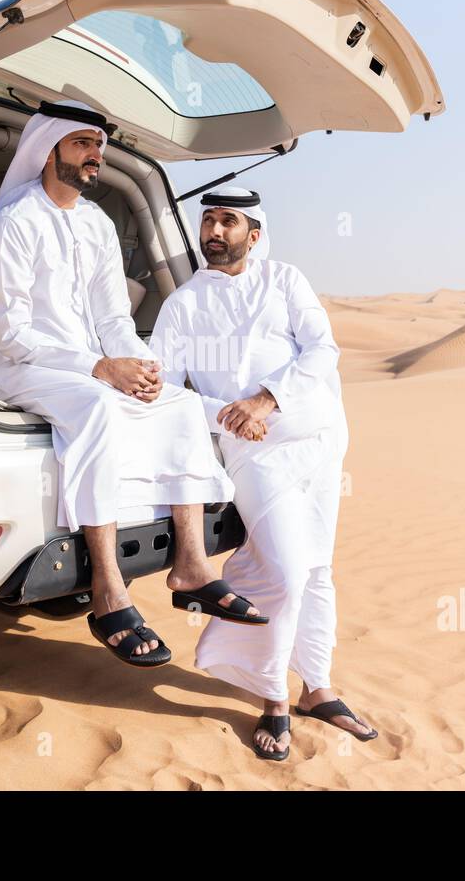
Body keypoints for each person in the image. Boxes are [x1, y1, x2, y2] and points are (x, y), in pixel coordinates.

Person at [0, 101, 267, 668]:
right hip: (11, 362)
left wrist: (141, 368)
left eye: (98, 146)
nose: (94, 155)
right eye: (82, 143)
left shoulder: (98, 223)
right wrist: (103, 370)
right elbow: (12, 334)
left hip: (83, 360)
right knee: (98, 409)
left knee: (175, 407)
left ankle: (192, 566)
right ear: (48, 149)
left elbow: (113, 322)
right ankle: (107, 590)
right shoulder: (12, 224)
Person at [150, 188, 376, 759]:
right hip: (253, 453)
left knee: (319, 570)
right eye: (208, 221)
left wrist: (267, 399)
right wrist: (230, 415)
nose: (215, 231)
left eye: (228, 221)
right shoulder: (182, 305)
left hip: (320, 442)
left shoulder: (285, 281)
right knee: (283, 570)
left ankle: (316, 687)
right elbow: (166, 394)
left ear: (253, 234)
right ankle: (273, 698)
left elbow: (322, 350)